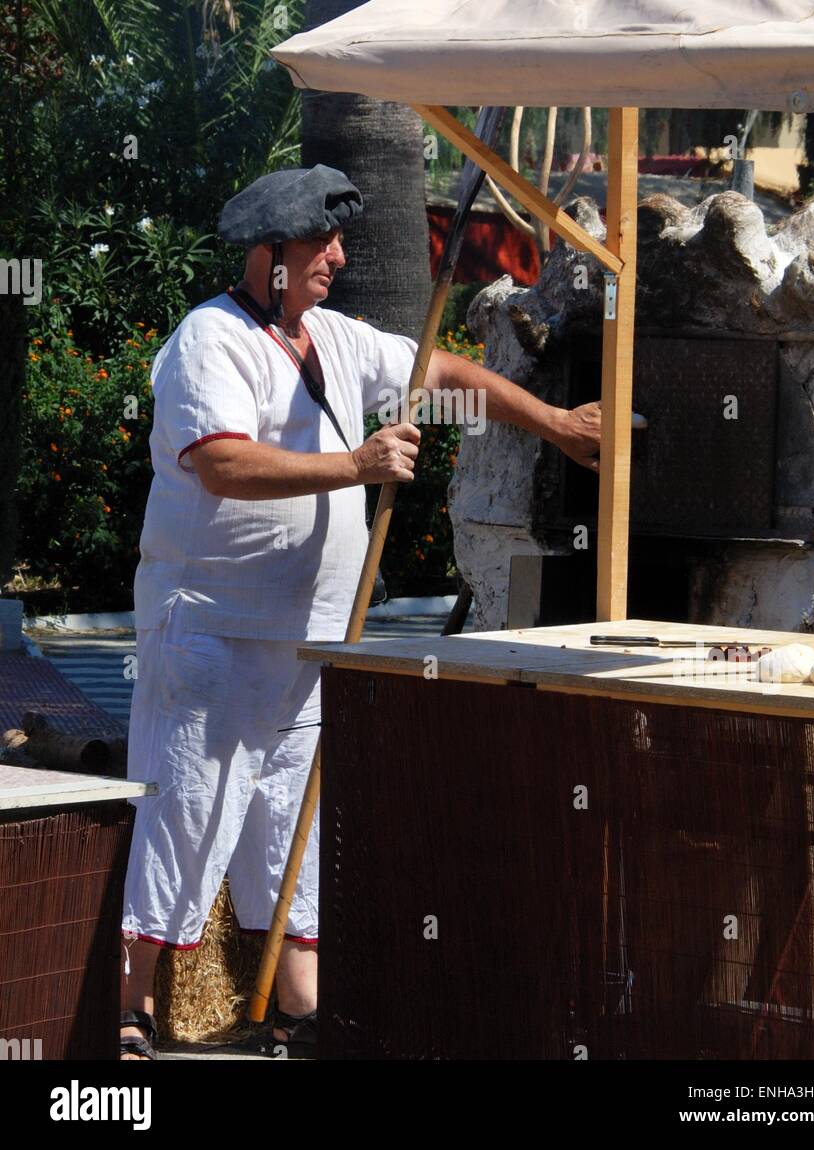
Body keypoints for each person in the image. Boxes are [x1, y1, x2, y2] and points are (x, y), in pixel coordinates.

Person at [119, 164, 602, 1060]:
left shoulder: (335, 338)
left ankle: (301, 1009)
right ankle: (131, 1010)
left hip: (307, 642)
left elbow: (445, 372)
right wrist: (359, 464)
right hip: (213, 632)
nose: (337, 257)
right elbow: (224, 464)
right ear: (268, 255)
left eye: (338, 241)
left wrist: (560, 425)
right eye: (319, 243)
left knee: (288, 825)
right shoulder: (208, 342)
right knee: (188, 809)